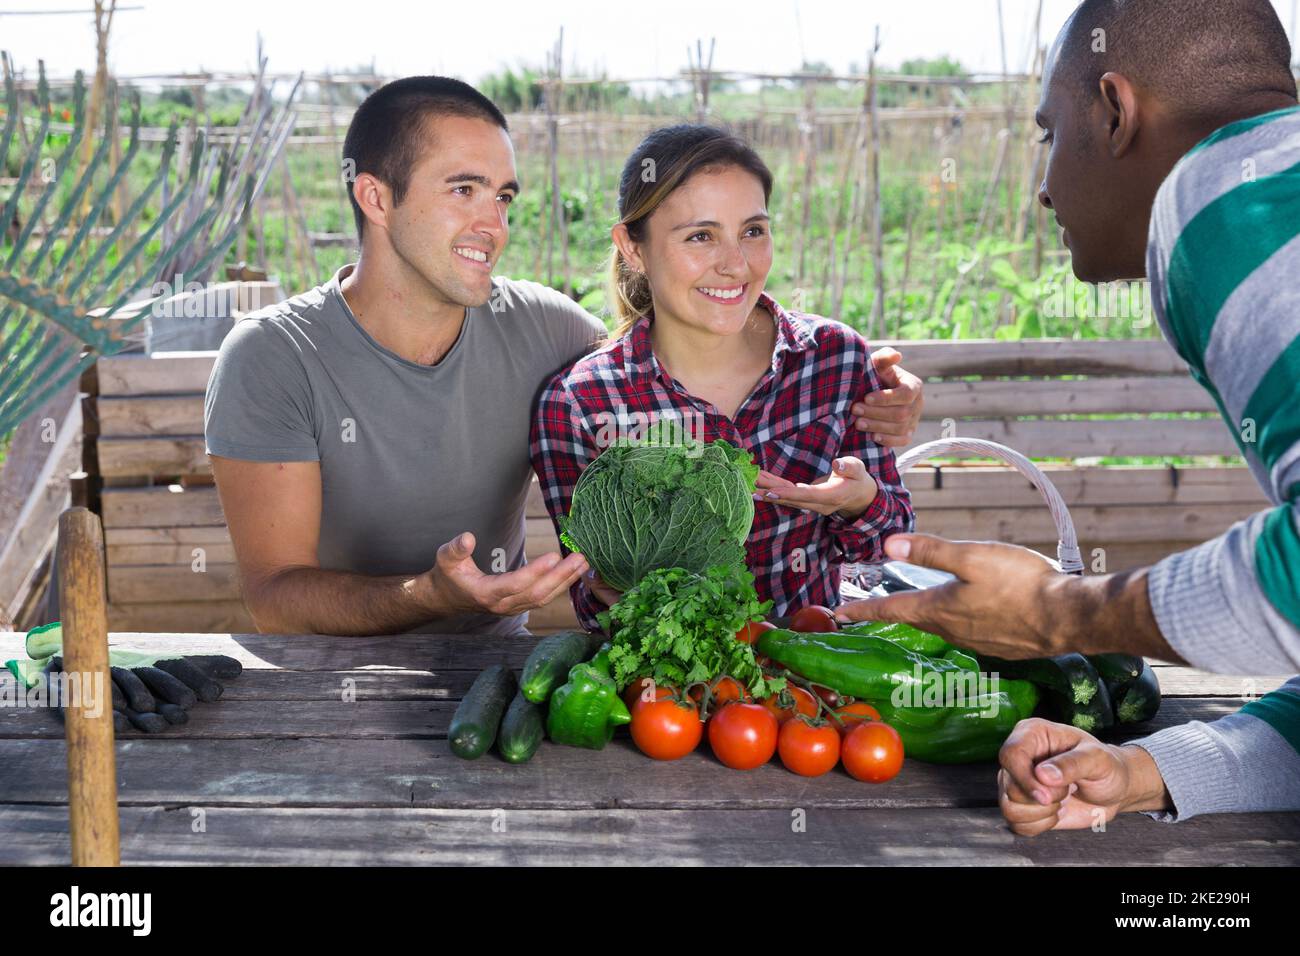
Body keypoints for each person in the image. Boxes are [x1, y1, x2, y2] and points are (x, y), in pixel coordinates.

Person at [204, 78, 925, 637]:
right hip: (326, 679)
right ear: (376, 197)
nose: (494, 224)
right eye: (464, 191)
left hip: (497, 665)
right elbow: (273, 598)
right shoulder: (274, 356)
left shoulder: (545, 331)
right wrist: (429, 594)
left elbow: (671, 350)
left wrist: (886, 395)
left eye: (504, 196)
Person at [839, 0, 1300, 830]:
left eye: (1051, 134)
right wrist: (1148, 768)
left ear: (1117, 112)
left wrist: (1057, 612)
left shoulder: (1233, 202)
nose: (1046, 190)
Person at [530, 125, 914, 629]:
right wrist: (625, 589)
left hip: (816, 684)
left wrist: (858, 502)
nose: (736, 265)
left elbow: (888, 546)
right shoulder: (580, 404)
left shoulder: (834, 361)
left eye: (753, 231)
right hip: (670, 698)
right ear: (633, 247)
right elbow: (595, 598)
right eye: (700, 236)